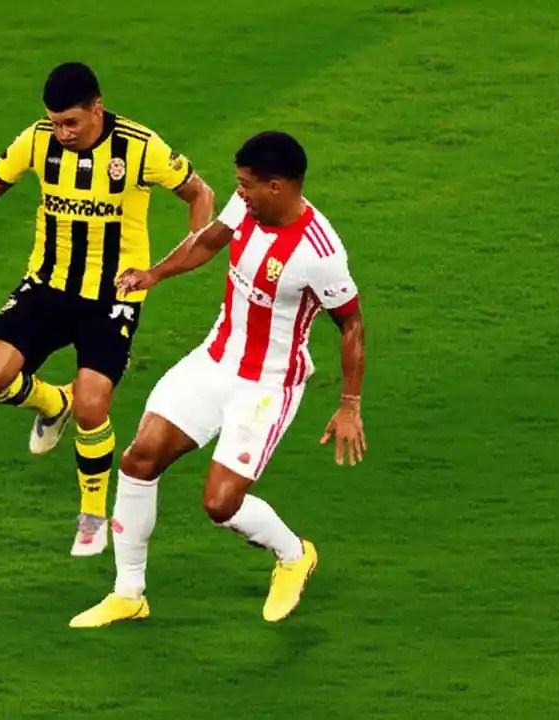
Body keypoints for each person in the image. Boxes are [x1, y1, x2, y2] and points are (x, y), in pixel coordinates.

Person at [0, 62, 214, 556]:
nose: (62, 133)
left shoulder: (139, 147)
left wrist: (183, 253)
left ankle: (92, 515)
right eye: (55, 122)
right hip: (47, 285)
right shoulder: (37, 141)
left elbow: (199, 192)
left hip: (112, 295)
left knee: (94, 404)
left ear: (97, 109)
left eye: (71, 122)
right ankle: (54, 404)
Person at [69, 131, 366, 626]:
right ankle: (128, 593)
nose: (239, 192)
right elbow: (208, 240)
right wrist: (154, 274)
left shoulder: (320, 254)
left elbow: (351, 323)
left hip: (266, 385)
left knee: (220, 504)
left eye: (247, 184)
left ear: (277, 186)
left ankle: (294, 555)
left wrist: (349, 405)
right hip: (214, 360)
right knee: (139, 460)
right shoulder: (248, 206)